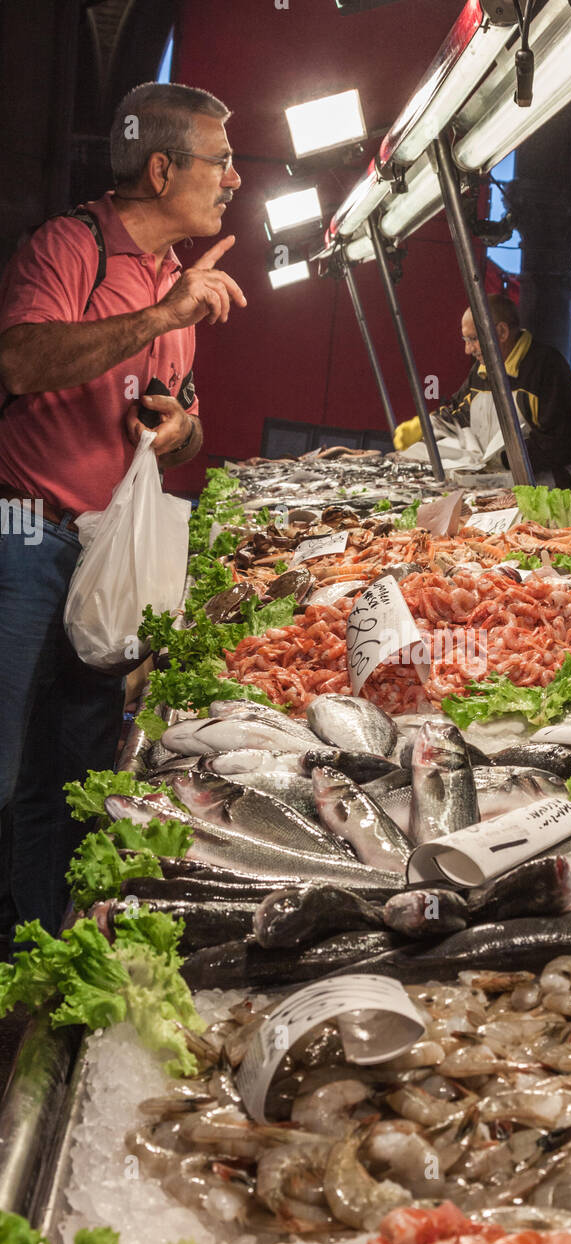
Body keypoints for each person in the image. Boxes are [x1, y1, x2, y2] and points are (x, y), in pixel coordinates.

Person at [0, 81, 245, 936]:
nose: (234, 179)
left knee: (69, 776)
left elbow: (182, 432)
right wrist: (157, 317)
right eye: (220, 160)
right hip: (23, 542)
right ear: (160, 168)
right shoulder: (72, 248)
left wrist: (180, 433)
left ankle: (31, 955)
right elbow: (21, 360)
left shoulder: (177, 284)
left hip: (104, 563)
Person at [393, 293, 571, 488]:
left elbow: (561, 445)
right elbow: (459, 412)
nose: (468, 349)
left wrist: (502, 459)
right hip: (497, 485)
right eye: (465, 340)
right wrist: (427, 427)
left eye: (473, 339)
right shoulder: (482, 370)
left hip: (548, 490)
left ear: (501, 332)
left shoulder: (547, 368)